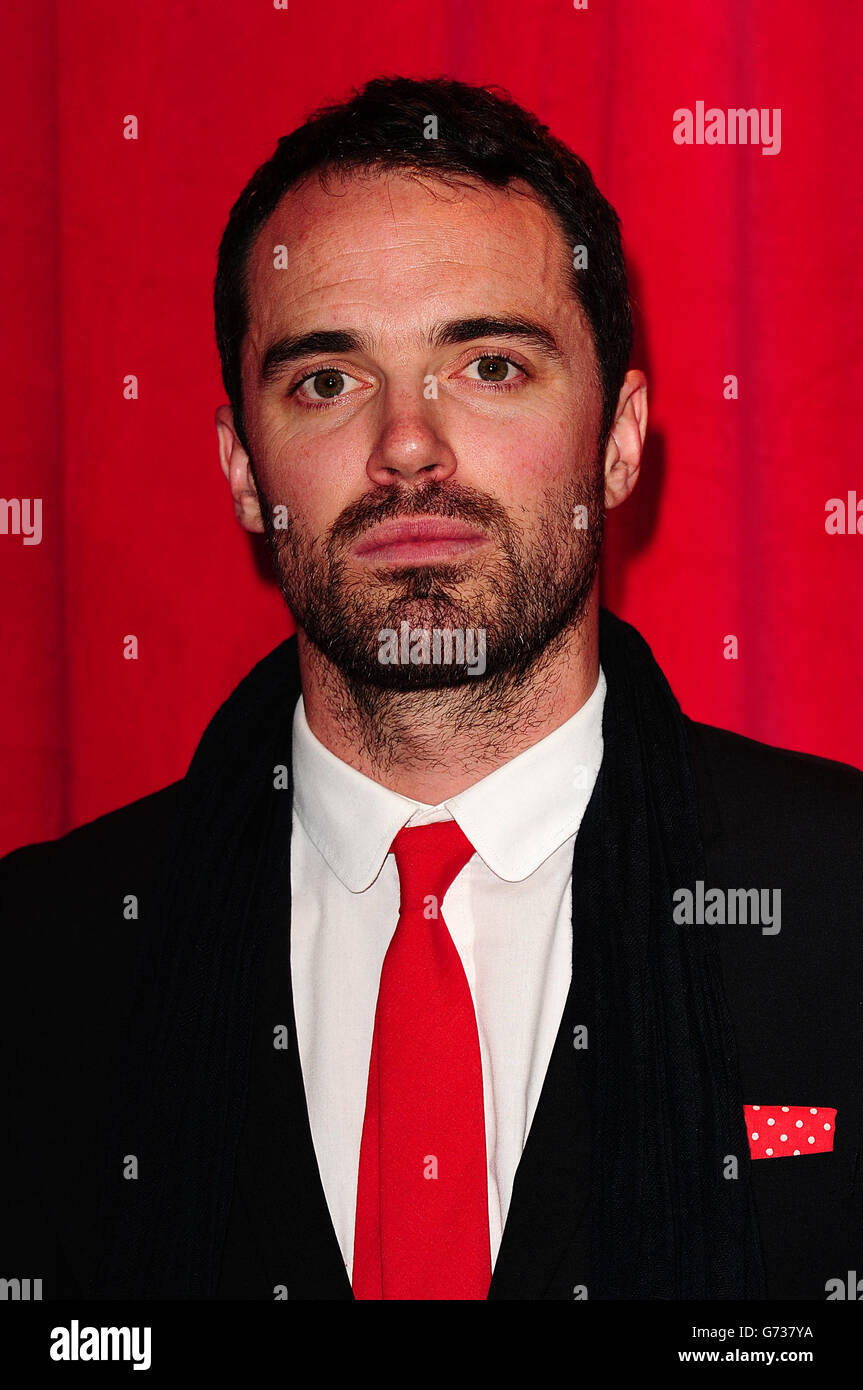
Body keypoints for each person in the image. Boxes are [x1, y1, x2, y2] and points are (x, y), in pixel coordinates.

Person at [2, 75, 861, 1303]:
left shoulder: (839, 912)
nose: (408, 443)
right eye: (326, 381)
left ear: (617, 440)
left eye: (490, 366)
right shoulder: (46, 966)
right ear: (243, 470)